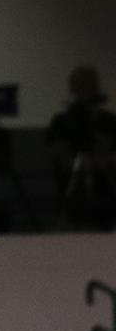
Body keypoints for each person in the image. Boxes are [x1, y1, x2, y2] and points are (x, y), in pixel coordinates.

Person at [47, 66, 116, 228]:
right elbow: (62, 160)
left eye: (89, 85)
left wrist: (100, 162)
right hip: (71, 198)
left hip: (106, 198)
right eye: (80, 85)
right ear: (72, 89)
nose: (85, 91)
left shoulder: (109, 121)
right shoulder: (62, 122)